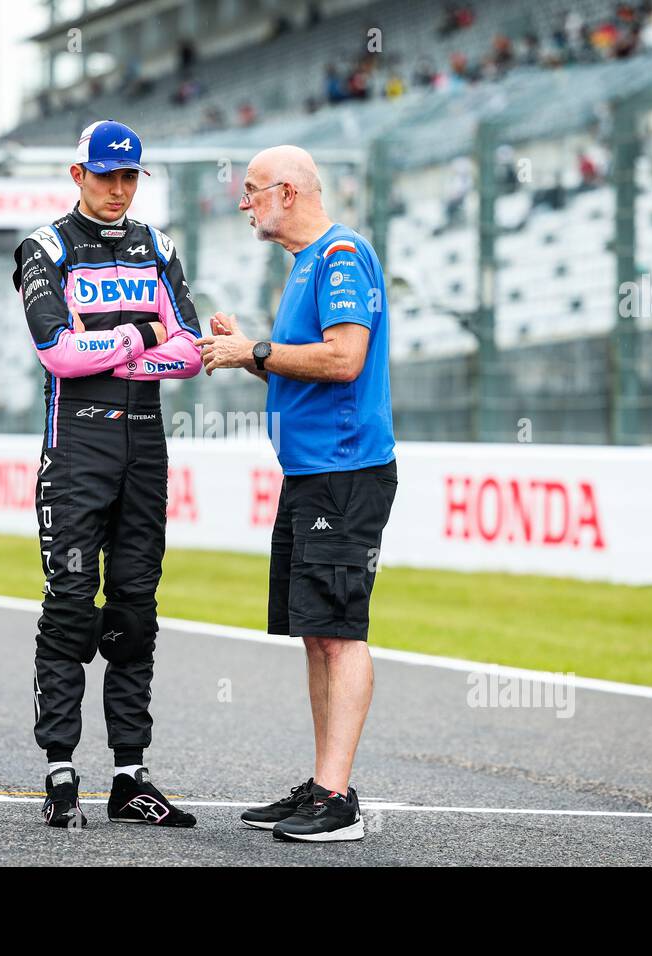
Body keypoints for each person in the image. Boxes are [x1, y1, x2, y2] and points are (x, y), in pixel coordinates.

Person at [196, 145, 397, 842]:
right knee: (318, 633)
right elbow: (301, 372)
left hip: (344, 471)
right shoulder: (307, 264)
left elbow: (345, 359)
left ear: (286, 191)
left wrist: (253, 352)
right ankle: (322, 787)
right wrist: (248, 348)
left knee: (340, 633)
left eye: (252, 191)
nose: (244, 203)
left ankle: (337, 802)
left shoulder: (342, 256)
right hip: (313, 472)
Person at [12, 119, 202, 829]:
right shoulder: (43, 248)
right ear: (78, 175)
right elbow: (58, 353)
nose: (118, 189)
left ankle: (130, 778)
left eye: (129, 177)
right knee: (68, 604)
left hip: (145, 448)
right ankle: (61, 772)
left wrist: (123, 354)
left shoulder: (160, 247)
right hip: (76, 451)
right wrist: (137, 336)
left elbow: (189, 353)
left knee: (133, 610)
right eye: (106, 175)